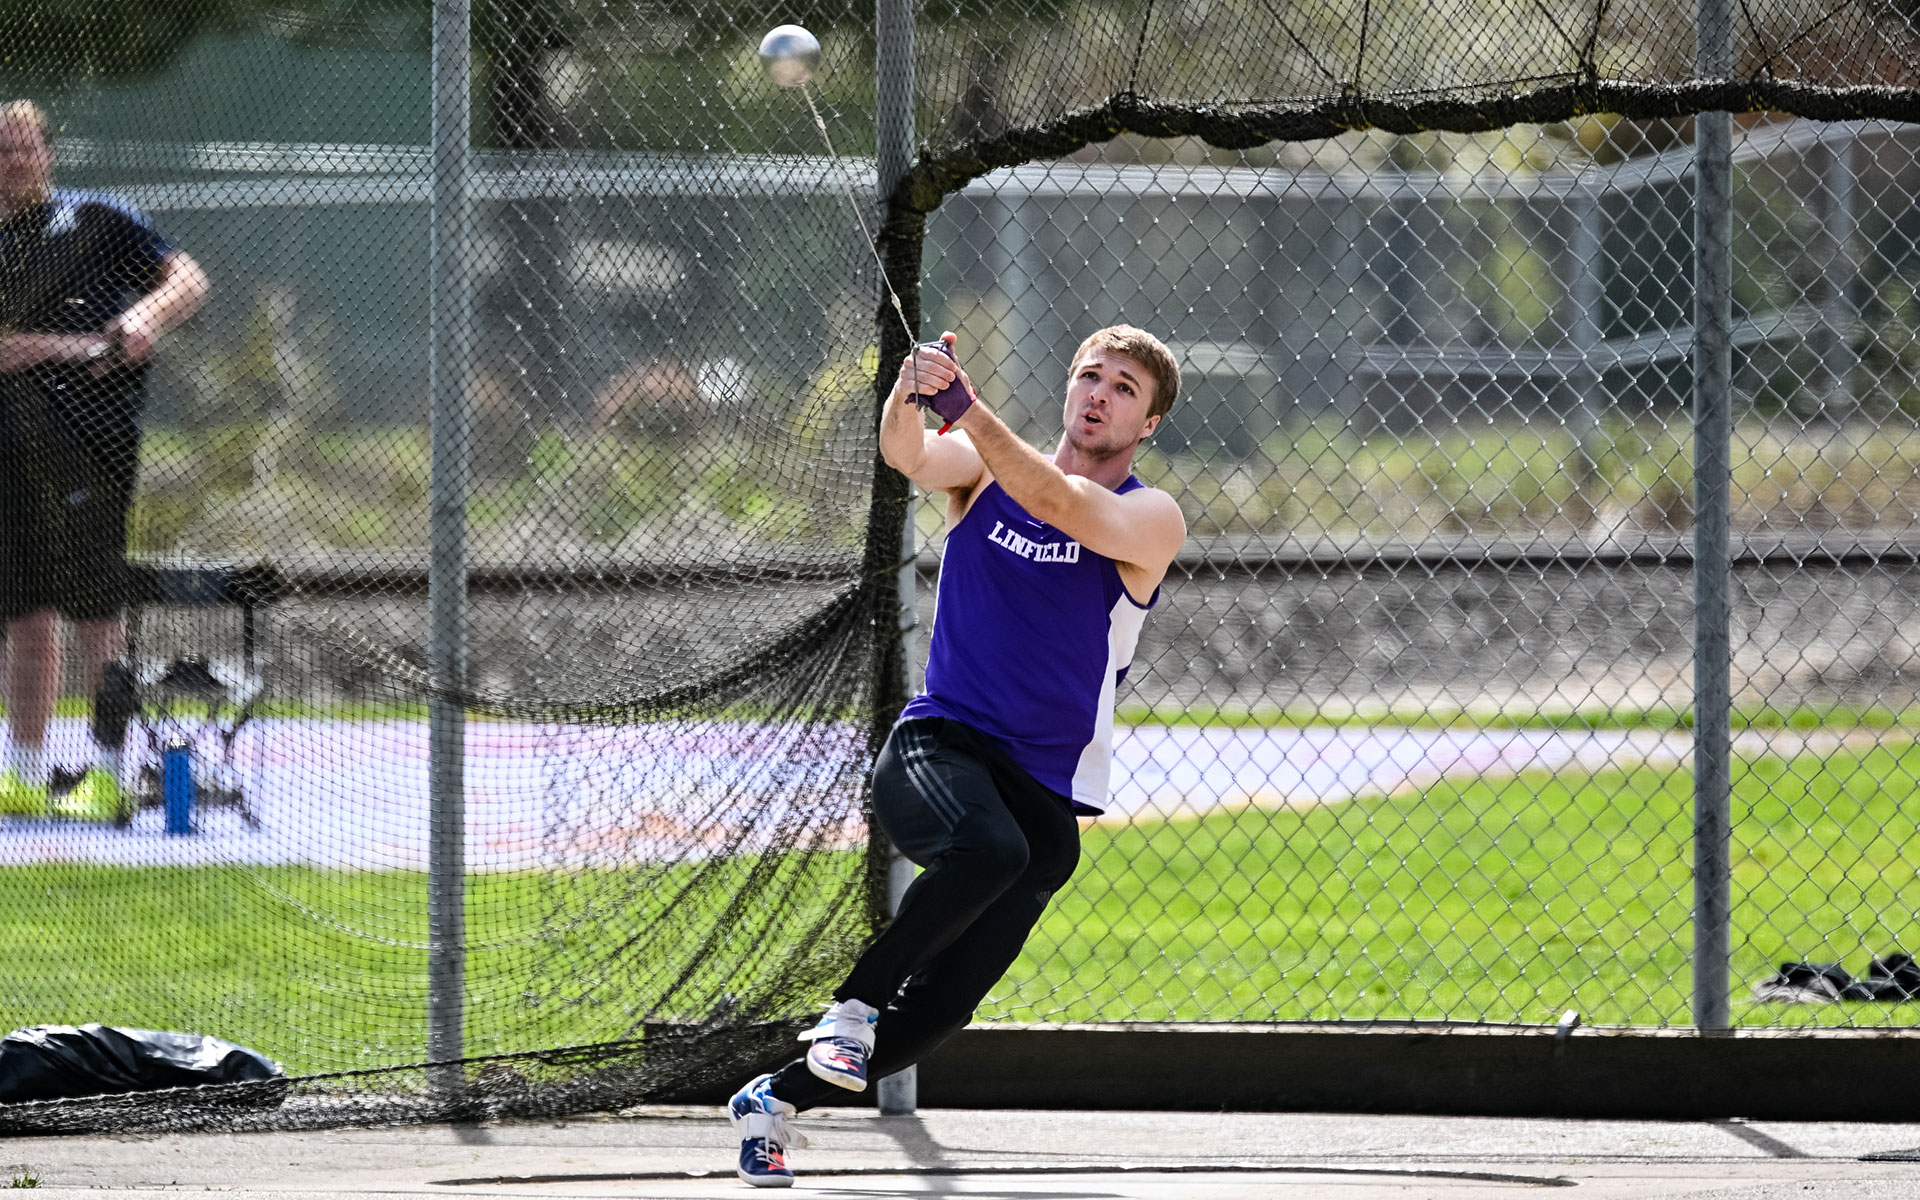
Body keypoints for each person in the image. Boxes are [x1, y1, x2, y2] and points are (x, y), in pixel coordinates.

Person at [727, 325, 1187, 1186]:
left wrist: (969, 409)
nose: (1100, 393)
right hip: (939, 746)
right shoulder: (978, 472)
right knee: (992, 849)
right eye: (1090, 373)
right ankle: (851, 1009)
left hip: (1041, 791)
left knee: (949, 1000)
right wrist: (911, 391)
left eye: (1125, 387)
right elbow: (910, 454)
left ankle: (771, 1101)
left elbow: (1063, 506)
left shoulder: (1150, 517)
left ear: (1150, 423)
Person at [0, 99, 209, 818]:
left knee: (96, 613)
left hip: (88, 450)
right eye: (2, 150)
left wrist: (143, 317)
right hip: (8, 453)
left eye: (26, 147)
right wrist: (73, 347)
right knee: (25, 617)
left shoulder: (96, 220)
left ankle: (111, 772)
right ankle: (26, 771)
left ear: (49, 153)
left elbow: (187, 279)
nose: (16, 162)